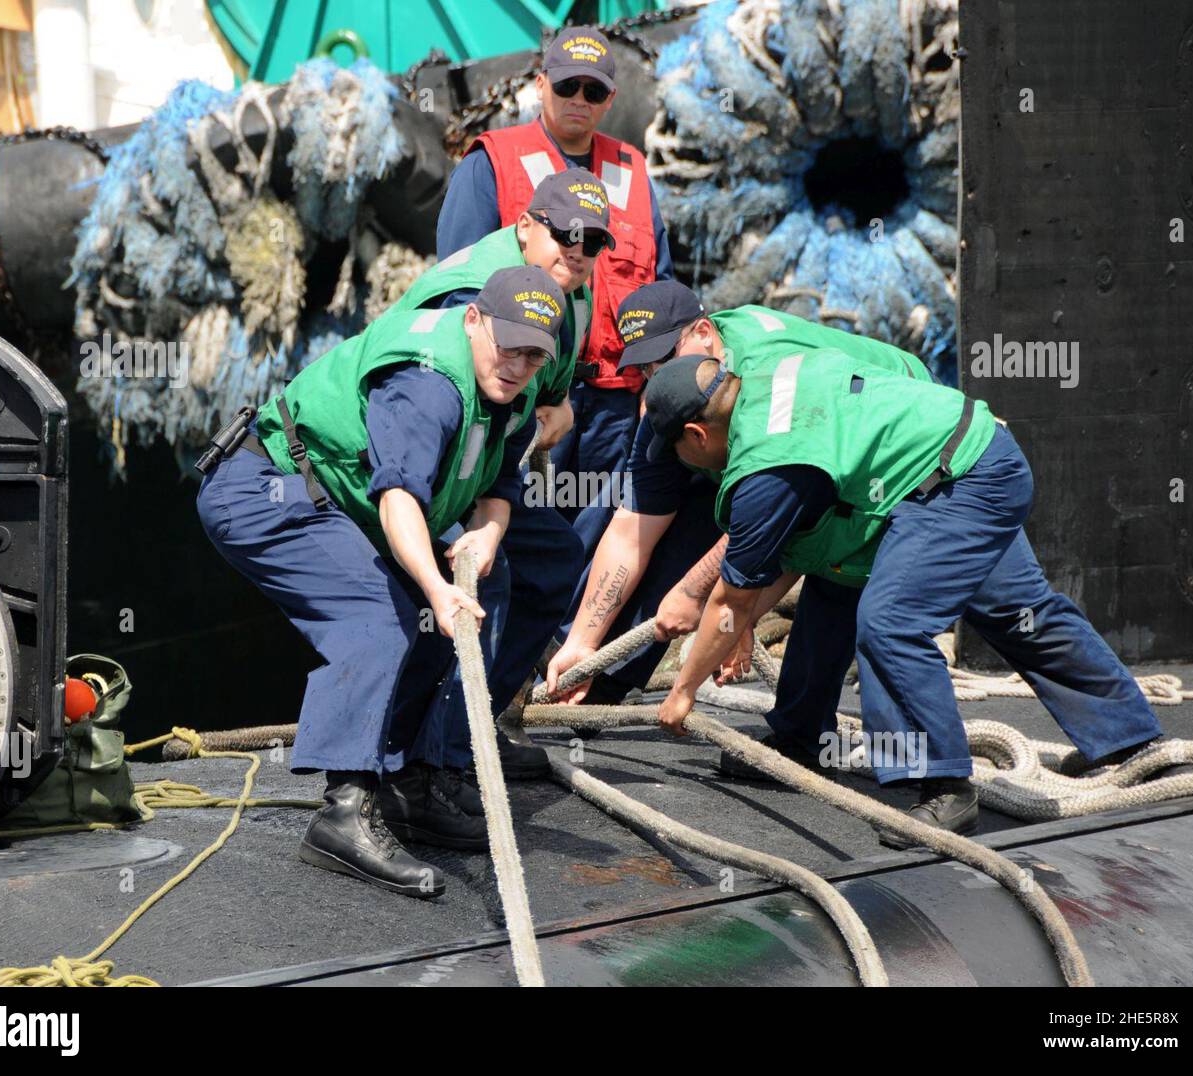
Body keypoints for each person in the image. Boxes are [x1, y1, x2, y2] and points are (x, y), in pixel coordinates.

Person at [643, 347, 1171, 845]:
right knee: (844, 585)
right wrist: (744, 624)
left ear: (696, 433)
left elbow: (730, 602)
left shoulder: (767, 468)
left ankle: (946, 787)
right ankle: (800, 738)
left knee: (892, 620)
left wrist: (682, 692)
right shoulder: (765, 376)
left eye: (677, 450)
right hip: (944, 461)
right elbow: (786, 558)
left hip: (964, 477)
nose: (685, 463)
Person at [196, 266, 566, 897]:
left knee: (483, 587)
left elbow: (500, 489)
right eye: (509, 347)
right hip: (264, 489)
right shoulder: (428, 387)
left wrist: (488, 536)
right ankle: (343, 814)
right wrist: (434, 583)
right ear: (473, 321)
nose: (518, 365)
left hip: (338, 501)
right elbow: (398, 495)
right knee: (377, 616)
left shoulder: (516, 393)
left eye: (535, 355)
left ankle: (414, 779)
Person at [547, 282, 932, 722]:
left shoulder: (766, 379)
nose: (656, 376)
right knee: (682, 520)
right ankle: (602, 679)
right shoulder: (677, 393)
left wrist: (731, 614)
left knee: (839, 578)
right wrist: (583, 642)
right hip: (784, 454)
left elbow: (773, 521)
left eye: (666, 358)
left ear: (705, 334)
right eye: (646, 368)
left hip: (886, 427)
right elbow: (634, 526)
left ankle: (808, 737)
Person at [390, 168, 615, 777]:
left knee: (555, 564)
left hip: (493, 450)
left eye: (593, 240)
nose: (578, 248)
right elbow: (433, 405)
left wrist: (559, 410)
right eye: (565, 232)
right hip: (429, 454)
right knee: (487, 585)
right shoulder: (476, 296)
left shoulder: (570, 283)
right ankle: (434, 763)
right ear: (524, 227)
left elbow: (552, 391)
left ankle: (479, 721)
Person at [436, 25, 674, 551]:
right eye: (567, 86)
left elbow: (661, 283)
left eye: (593, 91)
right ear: (540, 84)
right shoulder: (491, 163)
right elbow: (456, 290)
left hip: (614, 404)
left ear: (610, 99)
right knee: (517, 533)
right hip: (530, 393)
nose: (578, 101)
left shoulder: (632, 171)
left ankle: (571, 635)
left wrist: (656, 386)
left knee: (594, 540)